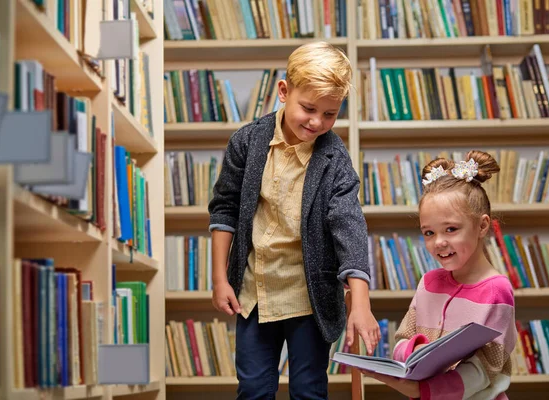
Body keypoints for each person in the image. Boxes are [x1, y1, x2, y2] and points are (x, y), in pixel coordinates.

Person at [208, 41, 380, 400]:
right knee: (254, 389)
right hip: (255, 294)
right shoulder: (247, 141)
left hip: (310, 299)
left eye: (330, 114)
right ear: (284, 92)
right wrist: (219, 278)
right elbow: (224, 208)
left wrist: (360, 304)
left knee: (309, 391)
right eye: (308, 108)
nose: (318, 122)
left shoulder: (335, 158)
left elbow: (348, 222)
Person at [362, 150, 517, 400]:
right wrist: (417, 350)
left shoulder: (496, 290)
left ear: (482, 226)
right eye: (429, 233)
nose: (439, 243)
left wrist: (424, 390)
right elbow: (402, 340)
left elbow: (487, 368)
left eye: (451, 229)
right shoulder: (429, 282)